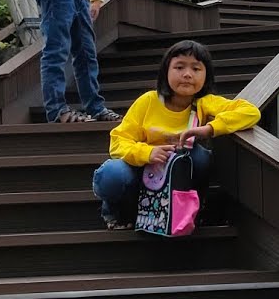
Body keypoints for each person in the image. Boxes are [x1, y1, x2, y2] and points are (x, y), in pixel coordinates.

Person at [92, 40, 261, 229]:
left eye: (196, 69)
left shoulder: (204, 103)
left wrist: (210, 128)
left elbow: (251, 112)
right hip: (141, 171)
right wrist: (148, 153)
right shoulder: (148, 101)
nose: (187, 74)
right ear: (166, 71)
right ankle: (117, 213)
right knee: (112, 173)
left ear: (206, 75)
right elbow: (118, 141)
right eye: (179, 67)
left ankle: (191, 211)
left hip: (177, 174)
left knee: (201, 158)